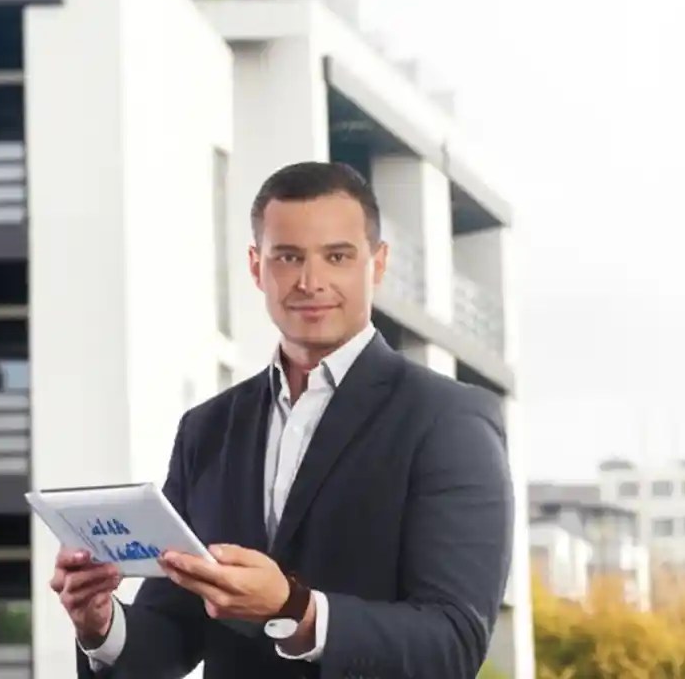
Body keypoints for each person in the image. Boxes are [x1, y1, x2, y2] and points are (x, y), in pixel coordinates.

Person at [49, 161, 514, 678]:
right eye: (288, 257)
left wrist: (296, 609)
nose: (310, 282)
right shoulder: (208, 430)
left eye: (337, 256)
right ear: (256, 266)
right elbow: (173, 634)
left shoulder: (449, 419)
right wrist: (100, 624)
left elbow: (454, 643)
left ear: (377, 265)